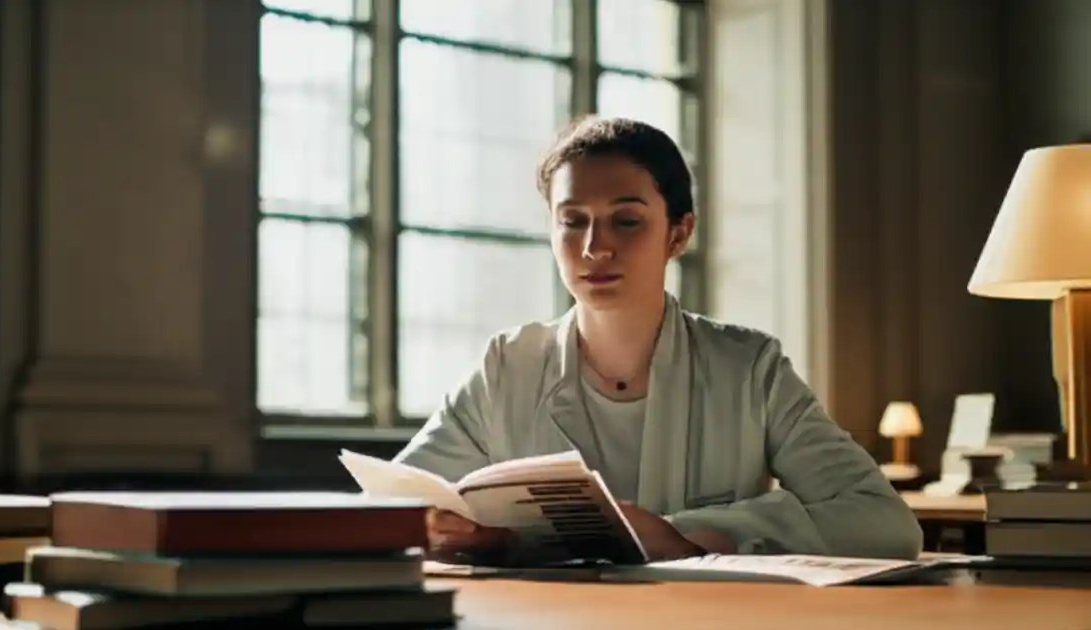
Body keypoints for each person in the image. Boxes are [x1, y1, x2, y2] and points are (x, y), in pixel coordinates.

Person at [393, 115, 923, 565]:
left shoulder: (748, 369)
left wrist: (692, 535)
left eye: (626, 221)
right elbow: (389, 507)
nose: (595, 248)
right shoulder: (505, 368)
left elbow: (885, 524)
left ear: (678, 233)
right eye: (573, 222)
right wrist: (450, 532)